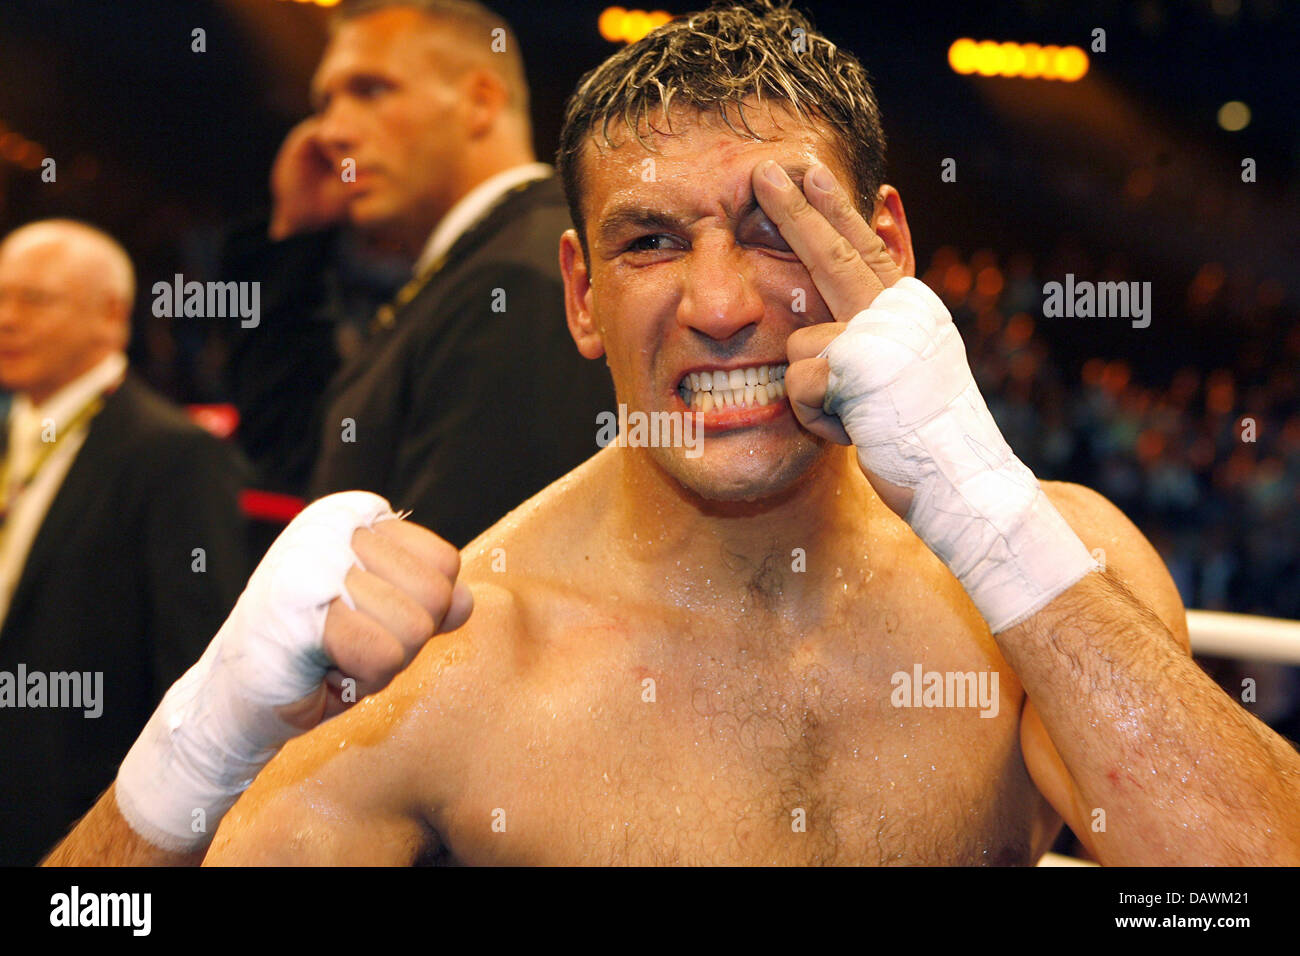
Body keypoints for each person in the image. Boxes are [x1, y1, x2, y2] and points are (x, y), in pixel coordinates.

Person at [47, 0, 1300, 867]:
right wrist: (190, 748)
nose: (718, 303)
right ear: (583, 297)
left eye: (772, 224)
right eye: (651, 241)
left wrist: (992, 515)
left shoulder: (1048, 585)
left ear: (891, 252)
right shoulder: (450, 662)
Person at [224, 0, 613, 547]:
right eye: (325, 101)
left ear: (480, 102)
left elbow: (463, 588)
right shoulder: (475, 265)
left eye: (370, 90)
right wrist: (295, 239)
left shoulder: (520, 278)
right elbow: (296, 462)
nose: (330, 131)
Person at [0, 220, 249, 865]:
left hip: (88, 829)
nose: (7, 318)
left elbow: (198, 672)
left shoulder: (174, 454)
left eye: (35, 300)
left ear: (111, 315)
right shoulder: (13, 433)